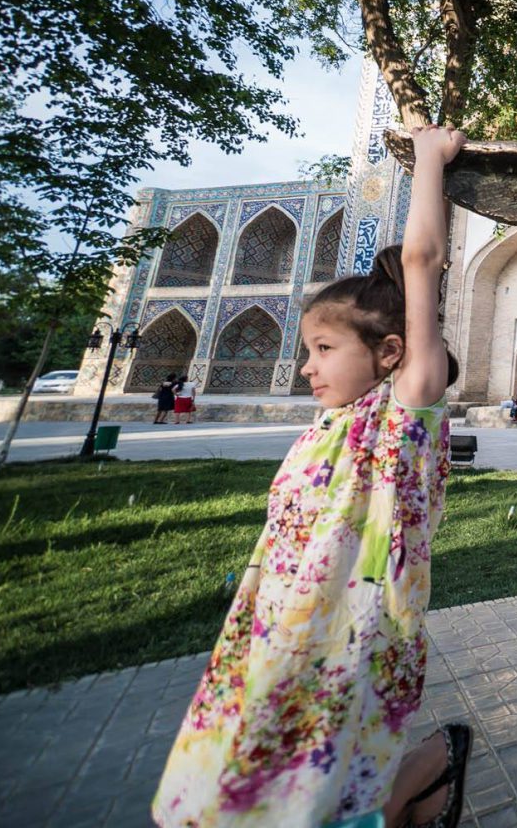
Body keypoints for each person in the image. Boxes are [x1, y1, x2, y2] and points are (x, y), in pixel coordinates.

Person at [153, 124, 472, 828]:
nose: (307, 367)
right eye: (308, 350)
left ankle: (429, 769)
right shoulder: (331, 426)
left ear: (391, 354)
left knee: (313, 797)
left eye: (324, 349)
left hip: (354, 644)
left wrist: (428, 158)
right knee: (245, 794)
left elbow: (420, 259)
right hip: (273, 638)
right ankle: (429, 776)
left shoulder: (401, 426)